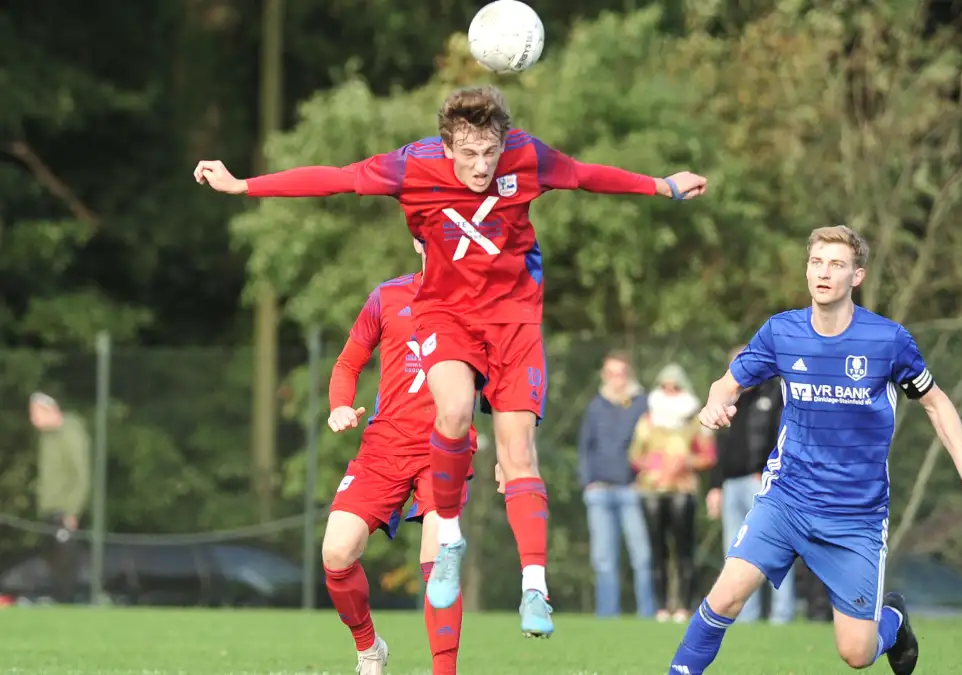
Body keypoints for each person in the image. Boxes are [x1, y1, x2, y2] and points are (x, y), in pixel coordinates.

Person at [194, 85, 707, 637]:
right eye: (468, 154)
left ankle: (535, 589)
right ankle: (451, 540)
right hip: (446, 315)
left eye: (490, 152)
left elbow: (584, 175)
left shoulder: (526, 156)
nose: (481, 166)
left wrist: (663, 186)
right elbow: (335, 178)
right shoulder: (410, 166)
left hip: (514, 320)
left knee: (518, 454)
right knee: (456, 411)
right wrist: (243, 185)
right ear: (446, 145)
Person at [665, 225, 962, 675]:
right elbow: (727, 384)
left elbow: (936, 403)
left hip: (855, 515)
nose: (824, 273)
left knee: (857, 654)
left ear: (856, 276)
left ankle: (894, 620)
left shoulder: (887, 341)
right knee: (725, 596)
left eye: (837, 264)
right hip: (787, 500)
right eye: (816, 262)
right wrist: (714, 404)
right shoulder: (781, 332)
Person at [322, 239, 475, 675]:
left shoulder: (479, 301)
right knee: (336, 553)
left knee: (438, 562)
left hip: (445, 445)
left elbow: (501, 381)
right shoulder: (387, 296)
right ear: (416, 240)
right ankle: (370, 649)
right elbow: (348, 363)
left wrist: (512, 454)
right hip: (385, 445)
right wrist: (338, 404)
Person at [705, 350, 798, 625]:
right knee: (735, 553)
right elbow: (718, 449)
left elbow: (785, 437)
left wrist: (768, 471)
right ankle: (746, 617)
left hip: (762, 483)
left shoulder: (776, 395)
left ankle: (782, 616)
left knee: (775, 549)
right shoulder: (728, 401)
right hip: (731, 485)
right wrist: (715, 486)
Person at [630, 363, 715, 622]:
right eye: (665, 386)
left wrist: (687, 462)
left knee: (684, 551)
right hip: (652, 490)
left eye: (674, 387)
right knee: (657, 551)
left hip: (682, 490)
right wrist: (651, 464)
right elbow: (635, 454)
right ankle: (661, 607)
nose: (669, 391)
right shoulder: (647, 420)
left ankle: (685, 606)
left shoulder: (694, 423)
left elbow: (708, 456)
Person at [577, 351, 656, 619]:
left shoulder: (643, 403)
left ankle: (647, 614)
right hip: (599, 491)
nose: (615, 379)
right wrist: (588, 483)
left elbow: (652, 447)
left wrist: (642, 481)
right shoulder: (595, 405)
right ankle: (606, 617)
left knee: (642, 557)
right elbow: (585, 447)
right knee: (603, 560)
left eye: (620, 373)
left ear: (629, 375)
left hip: (631, 490)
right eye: (610, 374)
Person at [30, 393, 90, 604]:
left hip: (64, 511)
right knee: (52, 558)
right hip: (49, 509)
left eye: (36, 414)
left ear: (50, 410)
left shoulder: (70, 433)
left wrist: (72, 511)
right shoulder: (47, 437)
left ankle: (66, 602)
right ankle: (57, 600)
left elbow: (80, 475)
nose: (33, 420)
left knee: (65, 560)